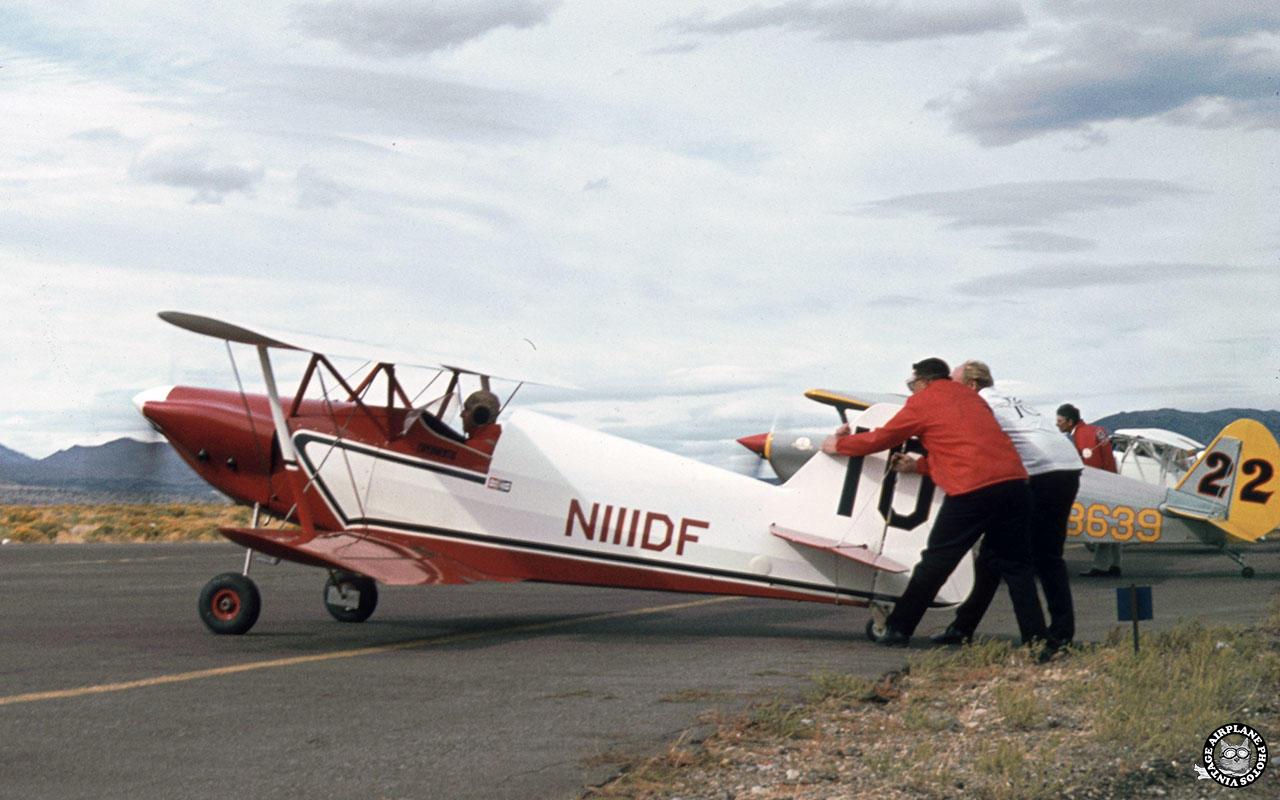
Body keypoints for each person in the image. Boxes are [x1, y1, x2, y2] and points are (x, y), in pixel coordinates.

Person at [820, 357, 1048, 648]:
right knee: (1017, 568)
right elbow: (967, 447)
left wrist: (837, 445)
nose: (912, 390)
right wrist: (919, 467)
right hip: (1015, 486)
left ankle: (899, 629)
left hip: (972, 491)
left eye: (912, 384)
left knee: (936, 563)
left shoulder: (923, 401)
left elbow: (882, 439)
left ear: (924, 381)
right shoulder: (972, 398)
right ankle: (1038, 640)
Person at [902, 361, 1083, 646]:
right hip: (1069, 467)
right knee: (1034, 556)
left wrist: (920, 466)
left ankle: (970, 630)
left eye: (954, 382)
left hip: (1037, 472)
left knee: (1007, 556)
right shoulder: (1010, 400)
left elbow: (973, 448)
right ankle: (1058, 632)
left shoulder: (975, 404)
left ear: (972, 386)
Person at [1056, 403, 1121, 577]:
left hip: (1100, 485)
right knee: (1112, 523)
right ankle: (1115, 563)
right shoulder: (1096, 430)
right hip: (1112, 481)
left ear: (1070, 421)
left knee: (1101, 524)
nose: (1057, 424)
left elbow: (1089, 466)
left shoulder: (1082, 436)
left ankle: (1101, 566)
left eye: (1060, 420)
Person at [460, 390, 503, 455]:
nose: (461, 415)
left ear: (480, 414)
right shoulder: (498, 441)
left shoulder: (472, 450)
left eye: (466, 409)